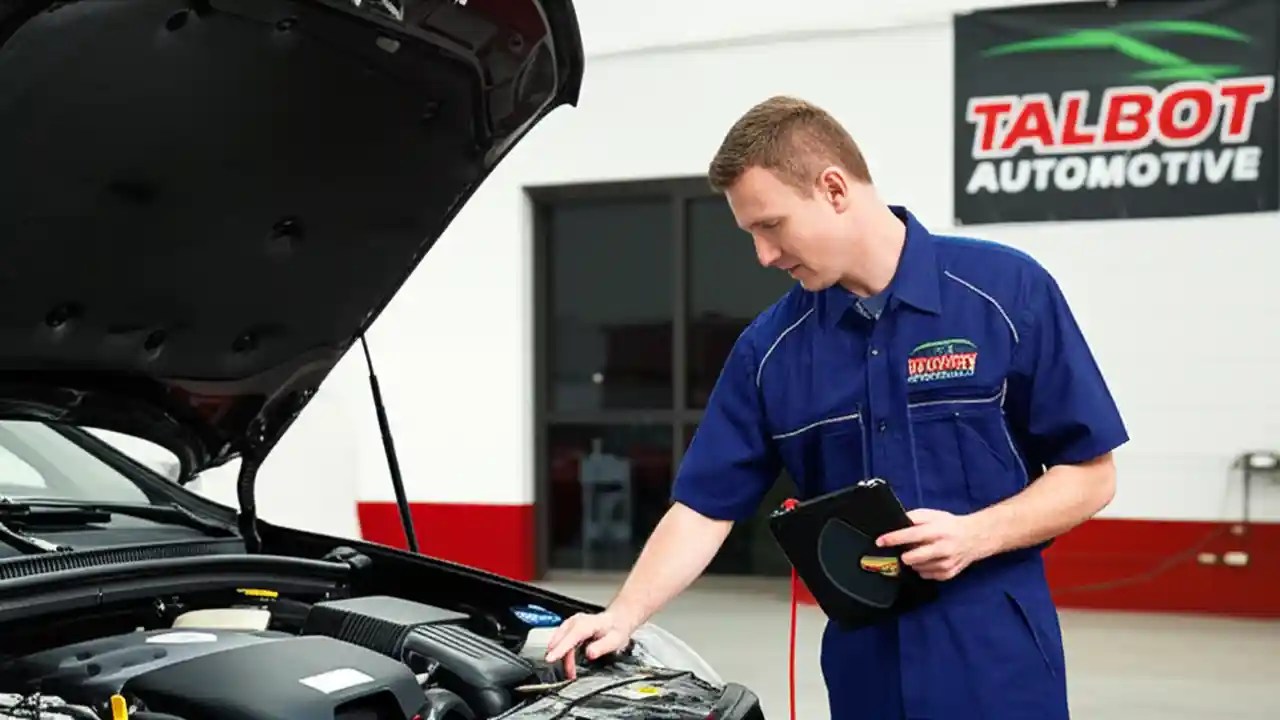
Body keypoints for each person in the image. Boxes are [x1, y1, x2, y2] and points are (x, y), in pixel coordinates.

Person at [544, 95, 1128, 720]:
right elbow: (703, 507)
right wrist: (623, 614)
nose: (764, 256)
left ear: (833, 189)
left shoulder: (1006, 295)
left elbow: (1091, 476)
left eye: (771, 225)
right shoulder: (769, 351)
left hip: (996, 657)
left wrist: (974, 535)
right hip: (864, 667)